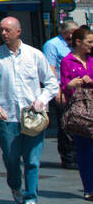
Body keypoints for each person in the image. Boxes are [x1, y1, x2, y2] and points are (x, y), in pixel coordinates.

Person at [0, 16, 58, 204]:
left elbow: (51, 83)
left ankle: (31, 196)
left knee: (32, 160)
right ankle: (15, 185)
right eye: (2, 30)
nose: (3, 33)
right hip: (9, 118)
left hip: (32, 118)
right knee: (11, 159)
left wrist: (41, 100)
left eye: (7, 30)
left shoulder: (34, 55)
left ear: (18, 31)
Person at [57, 26, 93, 201]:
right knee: (84, 150)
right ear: (78, 42)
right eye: (89, 42)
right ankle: (89, 187)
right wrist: (73, 83)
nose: (91, 45)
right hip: (79, 112)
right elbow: (64, 86)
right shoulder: (67, 61)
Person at [42, 20, 78, 169]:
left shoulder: (74, 45)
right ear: (66, 32)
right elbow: (50, 69)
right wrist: (57, 91)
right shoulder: (53, 45)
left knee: (77, 122)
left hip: (76, 91)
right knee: (64, 123)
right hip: (62, 89)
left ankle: (76, 154)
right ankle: (68, 156)